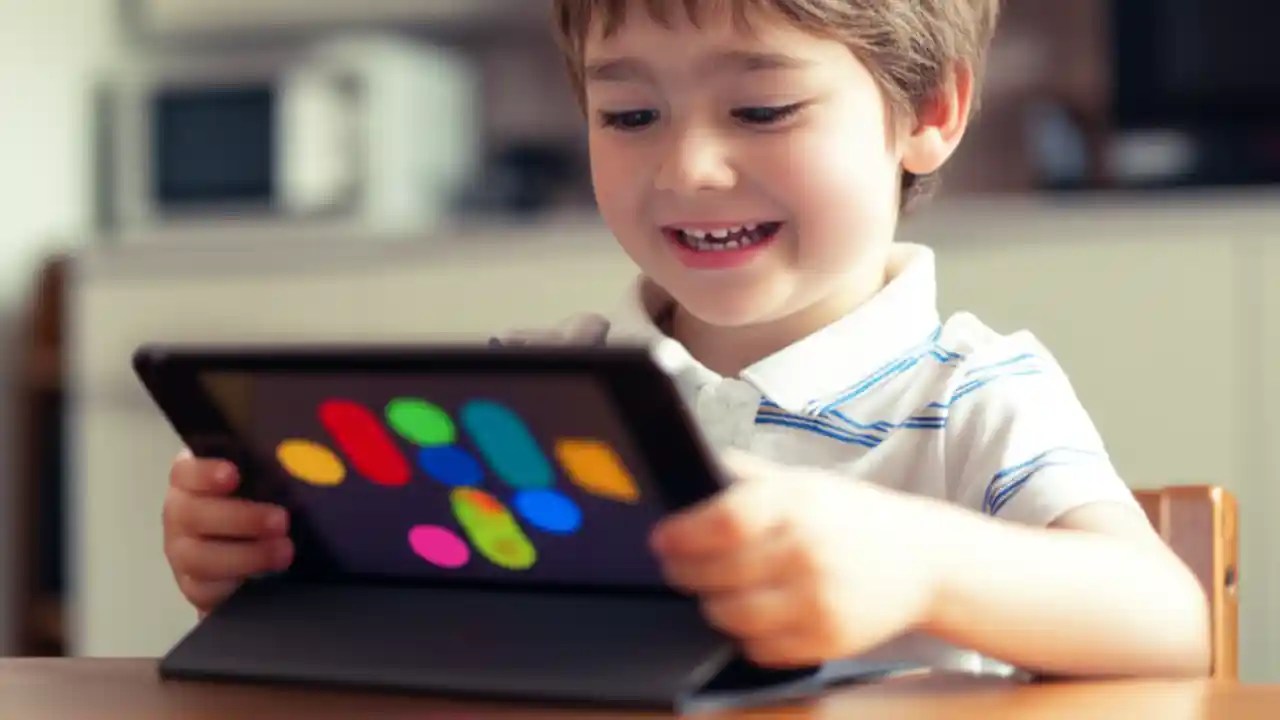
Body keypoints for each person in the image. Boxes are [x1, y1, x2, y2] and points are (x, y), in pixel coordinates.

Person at [161, 0, 1210, 677]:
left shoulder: (975, 391)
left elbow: (1169, 626)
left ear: (927, 111)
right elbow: (427, 634)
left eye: (759, 109)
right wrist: (269, 569)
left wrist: (921, 565)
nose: (685, 169)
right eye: (628, 117)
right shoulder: (531, 387)